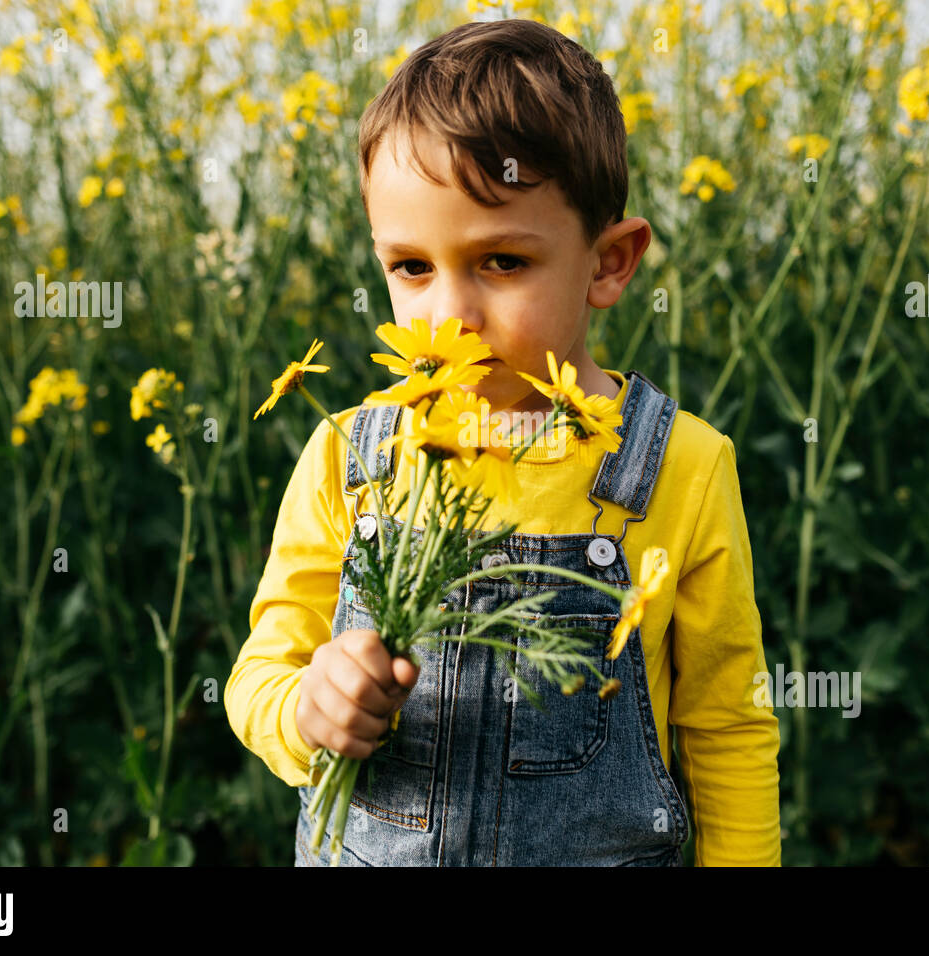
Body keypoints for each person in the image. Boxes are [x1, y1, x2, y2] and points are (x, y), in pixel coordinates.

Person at [224, 18, 779, 866]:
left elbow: (727, 726)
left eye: (502, 263)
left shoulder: (681, 470)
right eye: (412, 267)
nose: (450, 317)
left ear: (608, 263)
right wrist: (306, 709)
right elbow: (261, 674)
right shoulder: (352, 456)